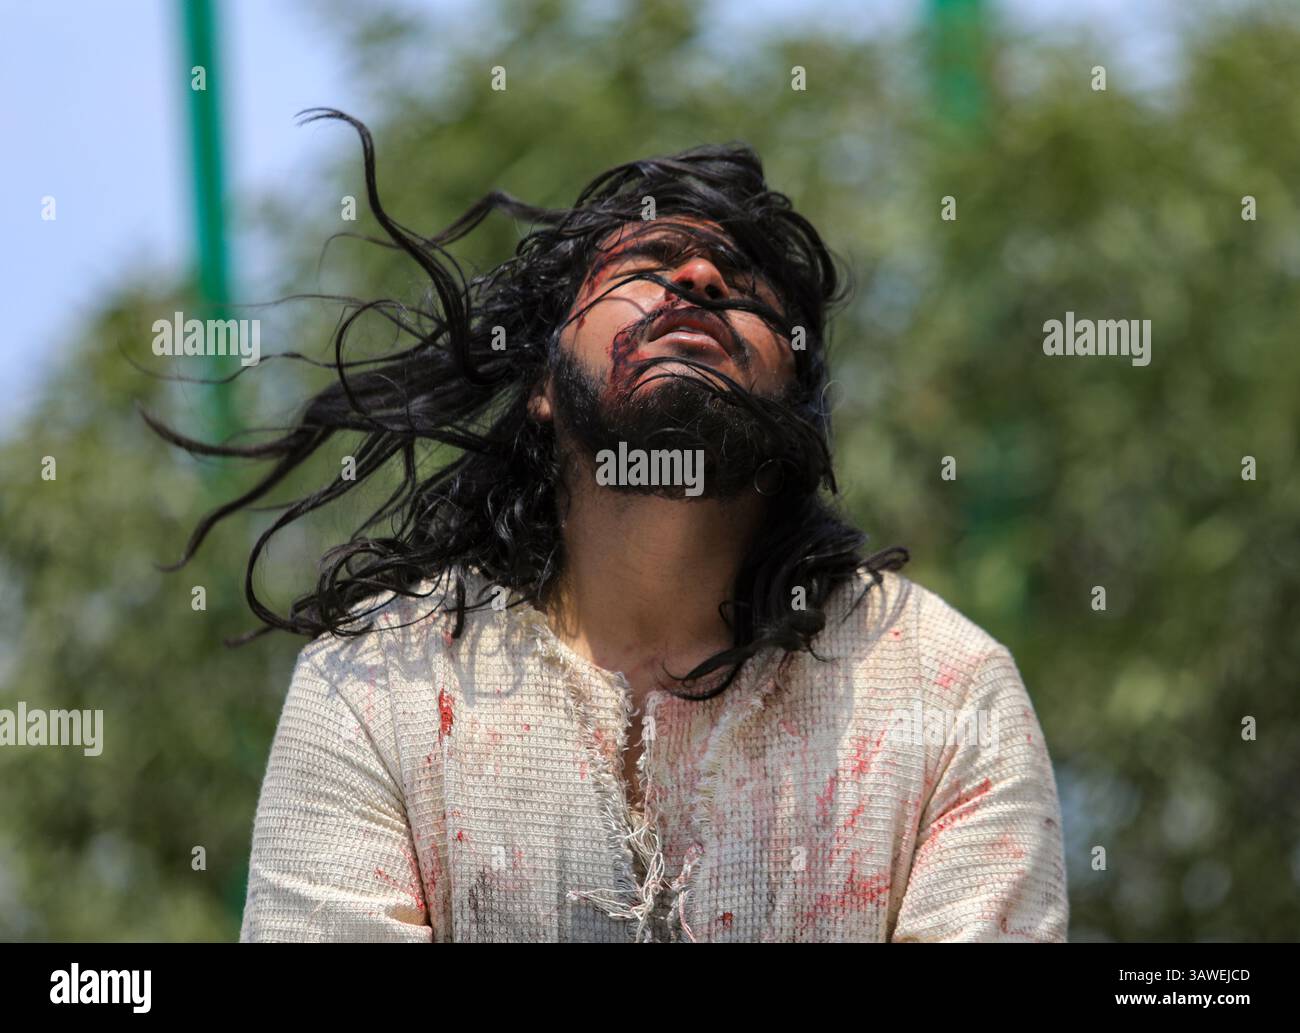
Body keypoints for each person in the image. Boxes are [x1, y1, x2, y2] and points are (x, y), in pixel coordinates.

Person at [151, 111, 1068, 941]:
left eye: (745, 286)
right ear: (544, 387)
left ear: (796, 412)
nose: (700, 275)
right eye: (643, 263)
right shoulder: (378, 682)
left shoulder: (945, 692)